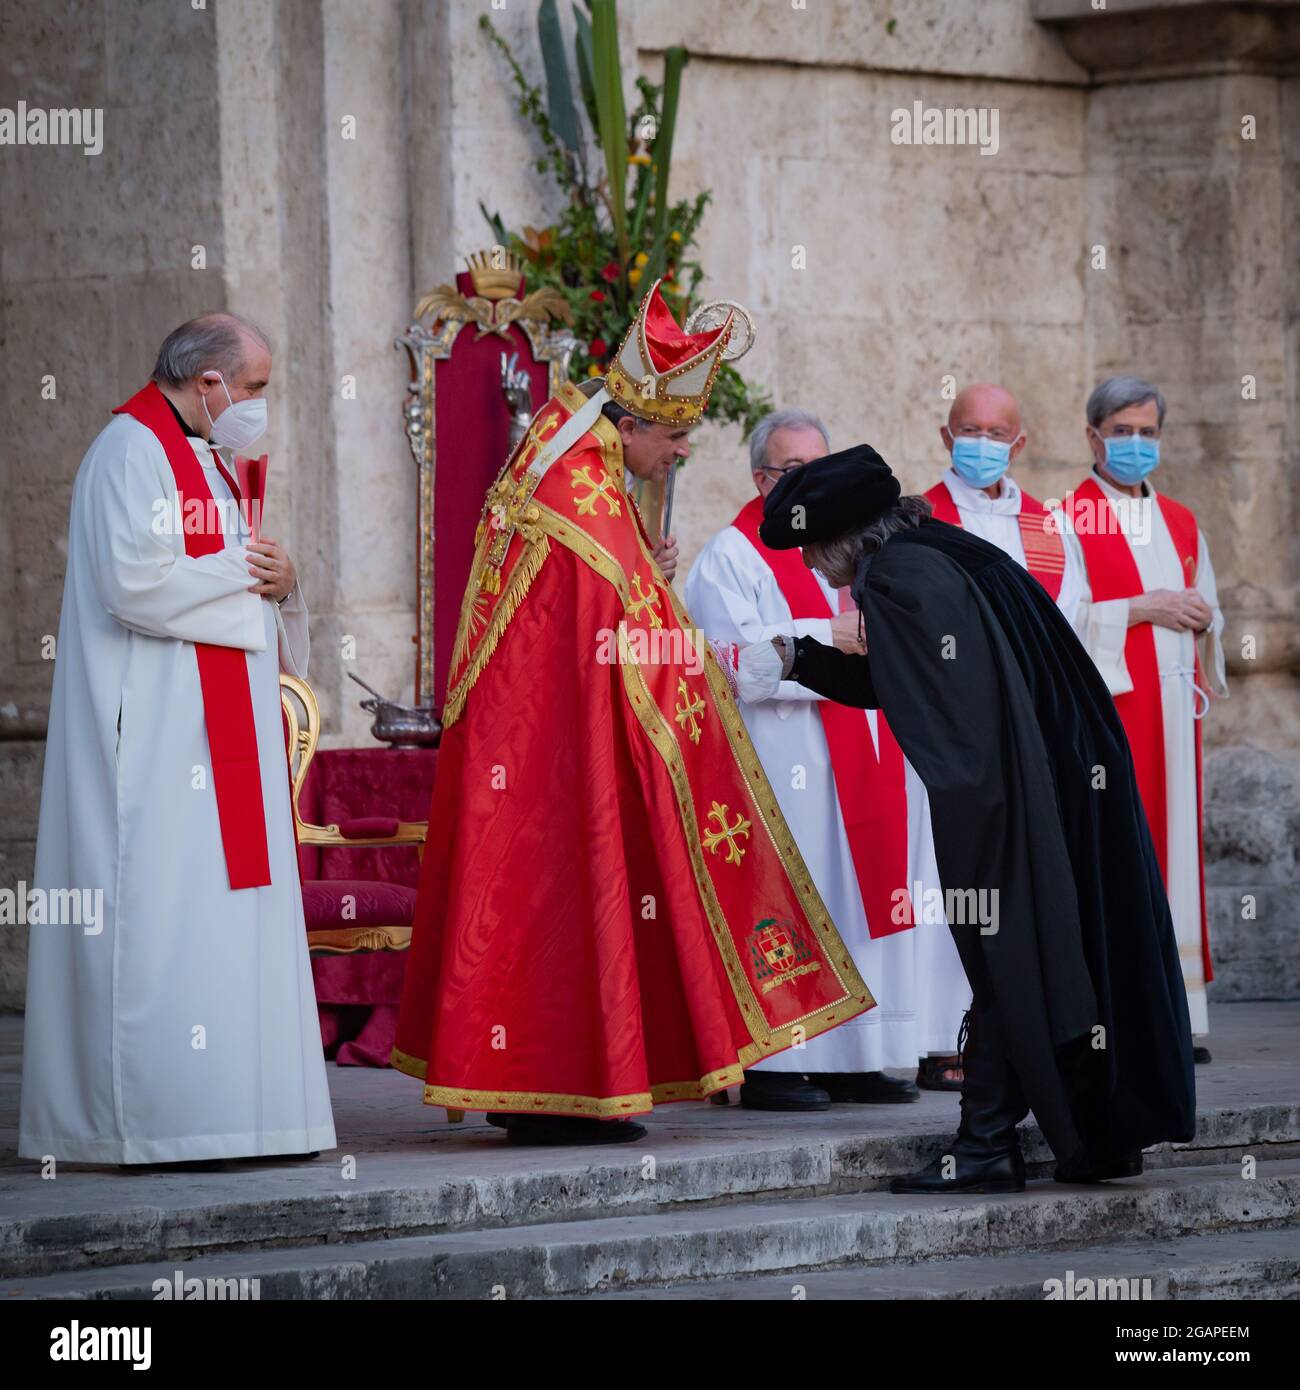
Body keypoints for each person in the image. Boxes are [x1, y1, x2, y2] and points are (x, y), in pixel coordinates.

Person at [391, 283, 872, 1146]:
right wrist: (651, 595)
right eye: (677, 435)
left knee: (571, 907)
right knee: (563, 906)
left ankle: (560, 1088)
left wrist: (642, 571)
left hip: (547, 736)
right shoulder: (578, 487)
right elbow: (614, 622)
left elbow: (600, 607)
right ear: (635, 420)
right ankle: (548, 1092)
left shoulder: (570, 453)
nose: (681, 453)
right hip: (549, 746)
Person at [741, 444, 1195, 1193]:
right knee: (1045, 954)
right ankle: (1088, 1134)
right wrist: (802, 659)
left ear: (841, 542)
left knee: (1010, 955)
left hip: (1012, 796)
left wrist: (979, 836)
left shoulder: (894, 579)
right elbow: (914, 678)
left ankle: (989, 1146)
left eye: (815, 555)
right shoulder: (939, 551)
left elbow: (955, 722)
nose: (817, 573)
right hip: (1061, 775)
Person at [19, 313, 336, 1165]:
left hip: (219, 733)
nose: (259, 405)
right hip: (158, 745)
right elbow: (131, 585)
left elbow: (242, 580)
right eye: (256, 388)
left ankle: (247, 1115)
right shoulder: (129, 452)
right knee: (162, 919)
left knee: (228, 922)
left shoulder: (210, 462)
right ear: (209, 384)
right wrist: (246, 575)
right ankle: (157, 1123)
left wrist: (285, 581)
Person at [685, 409, 969, 1111]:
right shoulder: (733, 553)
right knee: (797, 902)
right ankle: (778, 1063)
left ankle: (858, 1055)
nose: (808, 481)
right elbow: (727, 662)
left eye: (818, 465)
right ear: (761, 478)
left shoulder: (844, 542)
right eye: (792, 470)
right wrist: (825, 634)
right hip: (786, 765)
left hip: (864, 751)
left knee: (856, 904)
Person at [1063, 376, 1226, 1060]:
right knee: (1124, 854)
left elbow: (1208, 604)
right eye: (1122, 432)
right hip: (1115, 710)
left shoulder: (1182, 519)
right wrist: (1141, 608)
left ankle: (1179, 1013)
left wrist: (1201, 616)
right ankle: (1123, 1015)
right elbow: (1058, 618)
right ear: (1094, 436)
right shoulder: (1065, 516)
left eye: (1148, 432)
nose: (1136, 444)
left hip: (1174, 710)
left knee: (1177, 859)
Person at [924, 383, 1085, 627]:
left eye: (997, 433)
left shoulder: (1050, 525)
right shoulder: (918, 520)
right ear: (948, 438)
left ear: (1017, 446)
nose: (983, 442)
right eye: (970, 430)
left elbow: (1066, 610)